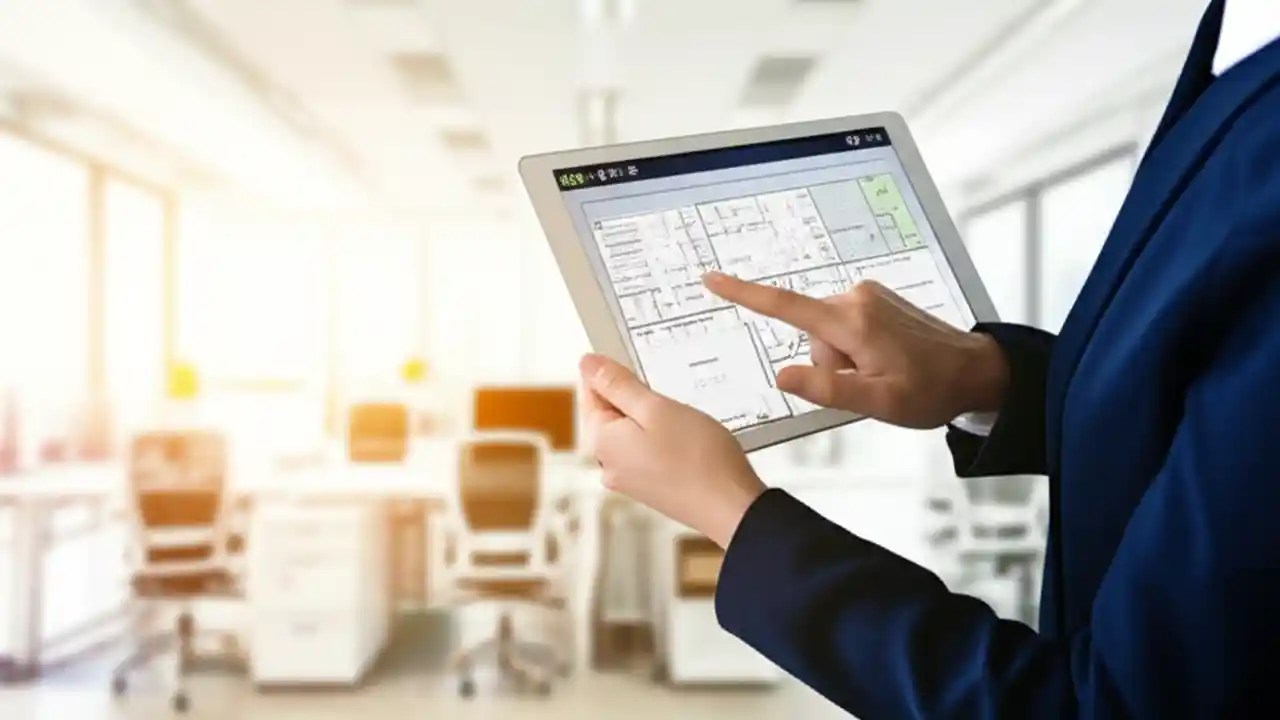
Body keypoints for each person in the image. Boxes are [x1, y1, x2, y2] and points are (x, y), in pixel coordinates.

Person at [577, 1, 1280, 717]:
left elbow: (1107, 707)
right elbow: (1210, 388)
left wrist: (731, 510)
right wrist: (994, 380)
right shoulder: (1237, 30)